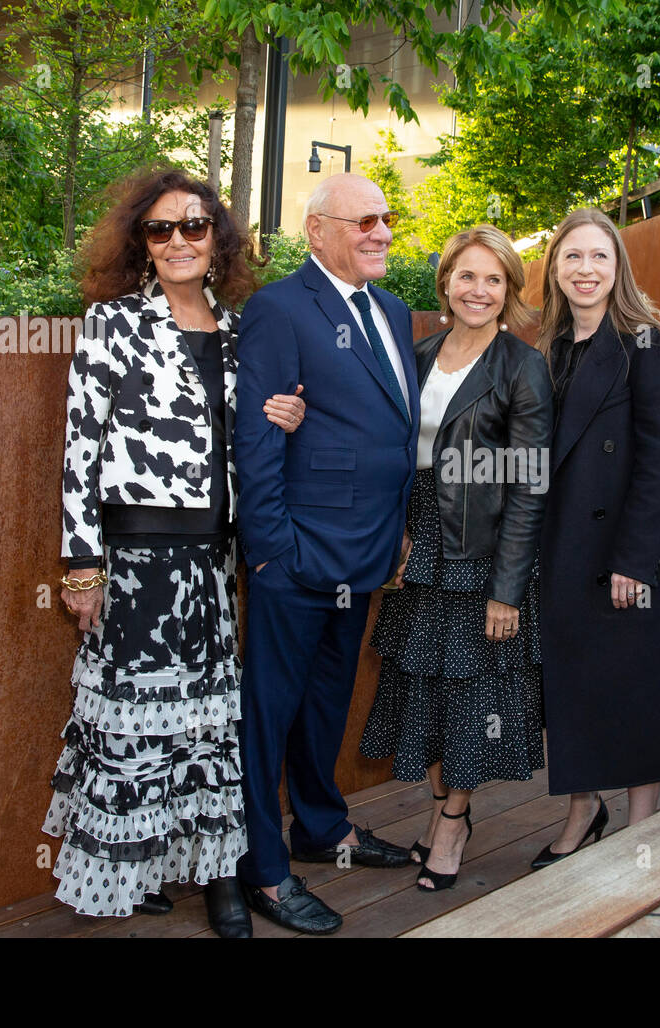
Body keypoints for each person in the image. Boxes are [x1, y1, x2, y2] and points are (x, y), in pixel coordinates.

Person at [46, 168, 304, 938]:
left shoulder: (241, 331)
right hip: (133, 559)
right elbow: (78, 449)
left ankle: (218, 875)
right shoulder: (112, 323)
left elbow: (250, 435)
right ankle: (135, 866)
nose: (179, 241)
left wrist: (284, 417)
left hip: (212, 562)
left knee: (207, 726)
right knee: (134, 722)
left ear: (217, 240)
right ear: (142, 244)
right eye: (161, 229)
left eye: (194, 226)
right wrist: (81, 565)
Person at [232, 173, 420, 934]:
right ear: (316, 230)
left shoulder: (395, 311)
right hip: (297, 559)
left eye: (387, 219)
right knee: (267, 714)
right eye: (363, 220)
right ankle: (263, 870)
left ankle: (320, 827)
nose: (381, 232)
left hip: (367, 558)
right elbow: (257, 435)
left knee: (327, 704)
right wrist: (271, 551)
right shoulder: (278, 309)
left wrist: (399, 532)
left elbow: (393, 436)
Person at [358, 225, 553, 891]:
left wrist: (507, 588)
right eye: (467, 276)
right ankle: (447, 807)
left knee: (470, 695)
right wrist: (392, 535)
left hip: (481, 552)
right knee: (422, 686)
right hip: (417, 545)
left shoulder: (522, 368)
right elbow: (389, 455)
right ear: (446, 283)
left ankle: (452, 818)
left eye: (493, 279)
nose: (479, 289)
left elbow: (530, 483)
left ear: (509, 292)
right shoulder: (417, 355)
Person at [533, 208, 660, 868]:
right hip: (566, 546)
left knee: (637, 685)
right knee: (574, 687)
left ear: (617, 266)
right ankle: (582, 807)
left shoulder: (646, 342)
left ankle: (642, 823)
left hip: (633, 548)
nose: (586, 269)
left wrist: (635, 558)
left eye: (599, 257)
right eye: (573, 257)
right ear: (555, 268)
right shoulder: (545, 346)